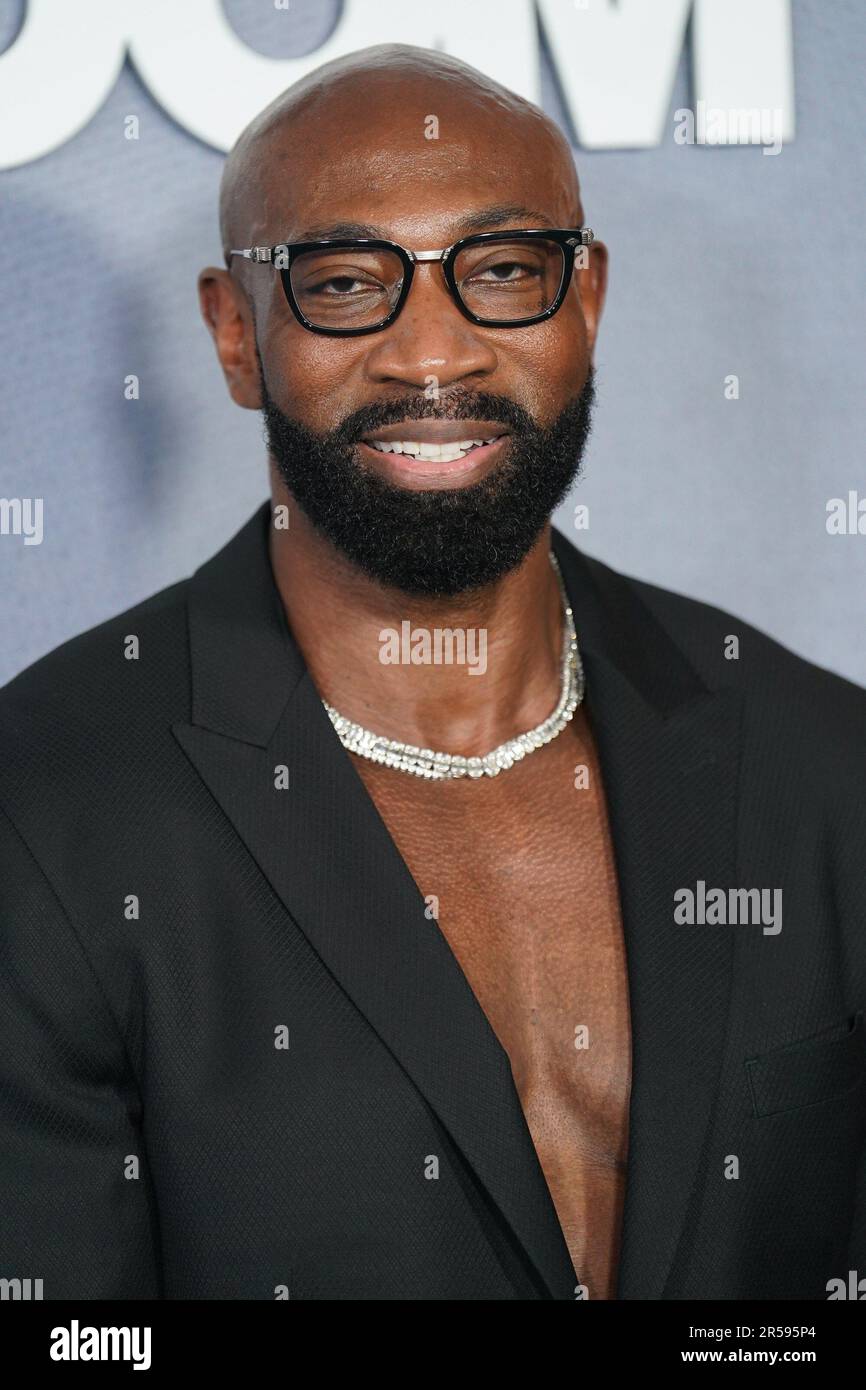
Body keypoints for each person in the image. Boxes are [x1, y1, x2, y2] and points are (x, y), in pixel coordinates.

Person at [1, 44, 863, 1302]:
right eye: (346, 284)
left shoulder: (818, 765)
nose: (432, 356)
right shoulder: (46, 807)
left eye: (502, 272)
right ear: (236, 334)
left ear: (584, 301)